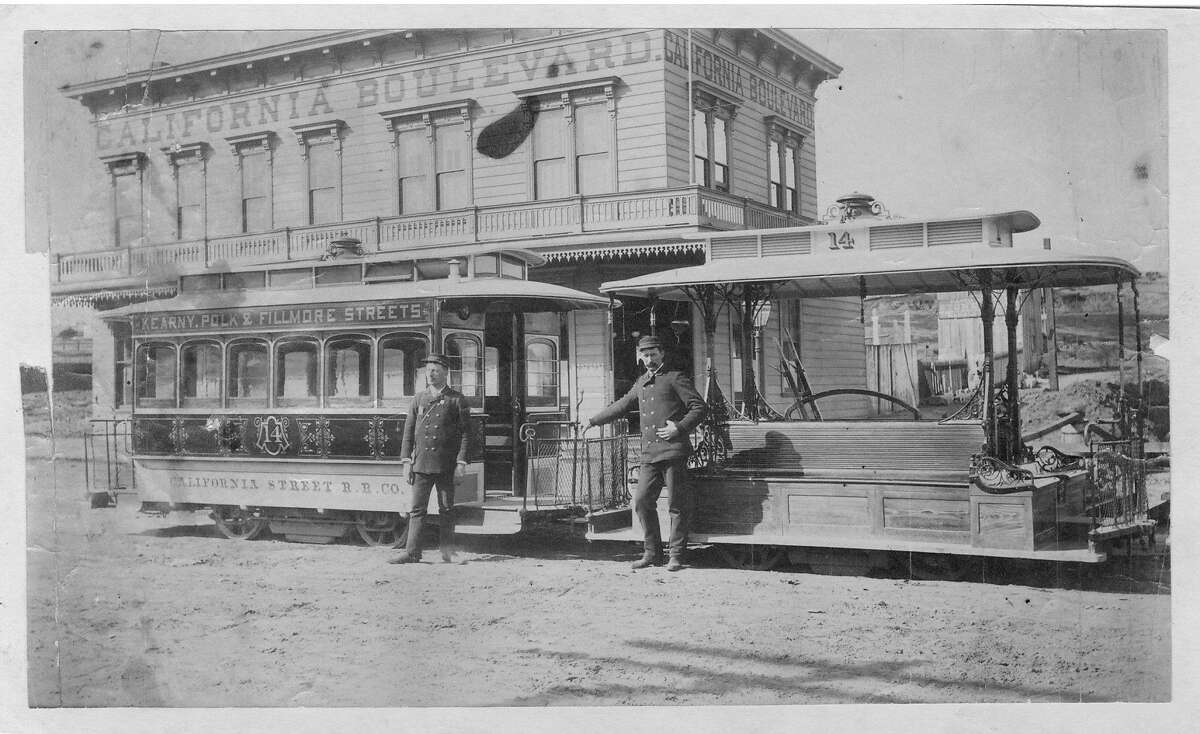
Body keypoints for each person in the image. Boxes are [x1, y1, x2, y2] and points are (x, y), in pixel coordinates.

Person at [586, 335, 706, 571]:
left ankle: (677, 556)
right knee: (641, 502)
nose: (649, 359)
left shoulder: (675, 377)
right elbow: (621, 404)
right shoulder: (641, 382)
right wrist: (593, 420)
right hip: (650, 454)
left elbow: (699, 407)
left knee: (677, 505)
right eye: (645, 355)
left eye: (653, 354)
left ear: (661, 353)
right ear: (640, 356)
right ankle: (652, 553)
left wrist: (679, 427)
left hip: (674, 452)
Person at [389, 354, 472, 565]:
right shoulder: (419, 399)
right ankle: (412, 553)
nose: (430, 374)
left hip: (445, 464)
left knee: (446, 509)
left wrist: (461, 463)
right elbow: (408, 433)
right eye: (427, 371)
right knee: (417, 509)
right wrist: (406, 462)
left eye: (435, 370)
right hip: (421, 464)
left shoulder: (456, 399)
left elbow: (466, 434)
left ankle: (447, 553)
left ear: (445, 372)